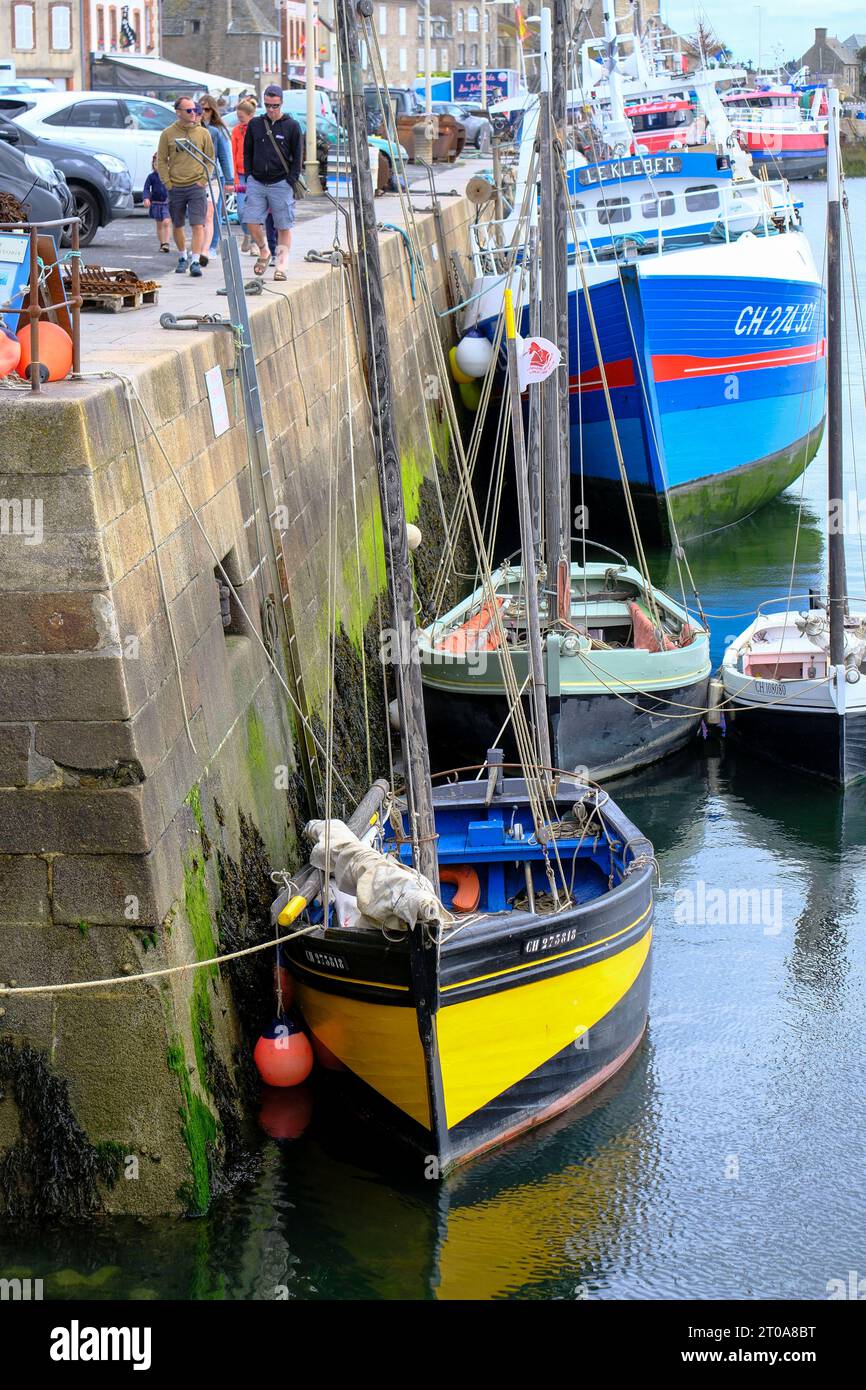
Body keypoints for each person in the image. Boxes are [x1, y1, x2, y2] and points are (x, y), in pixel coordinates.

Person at [243, 84, 302, 282]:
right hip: (258, 181)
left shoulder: (292, 126)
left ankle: (282, 265)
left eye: (275, 106)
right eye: (267, 105)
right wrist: (249, 174)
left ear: (281, 103)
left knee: (283, 225)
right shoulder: (255, 124)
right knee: (251, 220)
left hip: (281, 182)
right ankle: (264, 251)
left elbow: (298, 156)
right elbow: (247, 151)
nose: (271, 110)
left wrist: (291, 180)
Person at [156, 95, 214, 277]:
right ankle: (182, 257)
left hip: (196, 185)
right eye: (188, 110)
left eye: (195, 110)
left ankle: (195, 260)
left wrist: (204, 180)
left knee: (198, 224)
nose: (193, 114)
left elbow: (210, 159)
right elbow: (161, 160)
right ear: (179, 112)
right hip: (176, 186)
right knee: (178, 224)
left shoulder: (203, 133)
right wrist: (167, 182)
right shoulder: (167, 133)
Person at [199, 94, 234, 258]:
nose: (203, 113)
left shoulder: (217, 130)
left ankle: (211, 246)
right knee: (201, 213)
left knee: (213, 213)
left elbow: (225, 155)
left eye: (207, 109)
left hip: (215, 175)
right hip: (197, 176)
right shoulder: (195, 128)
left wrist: (229, 179)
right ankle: (202, 245)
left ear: (212, 111)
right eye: (201, 109)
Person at [231, 97, 257, 253]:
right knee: (241, 210)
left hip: (255, 176)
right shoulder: (236, 131)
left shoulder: (258, 129)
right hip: (240, 175)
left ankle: (255, 242)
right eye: (238, 117)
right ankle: (247, 234)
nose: (239, 120)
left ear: (251, 115)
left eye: (241, 117)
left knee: (255, 209)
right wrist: (233, 177)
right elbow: (232, 155)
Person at [142, 154, 171, 253]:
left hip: (167, 203)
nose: (158, 166)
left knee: (166, 222)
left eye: (161, 164)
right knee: (159, 225)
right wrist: (146, 198)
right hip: (156, 204)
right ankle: (162, 243)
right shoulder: (151, 177)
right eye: (155, 164)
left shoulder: (170, 176)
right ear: (153, 165)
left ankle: (167, 243)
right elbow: (146, 188)